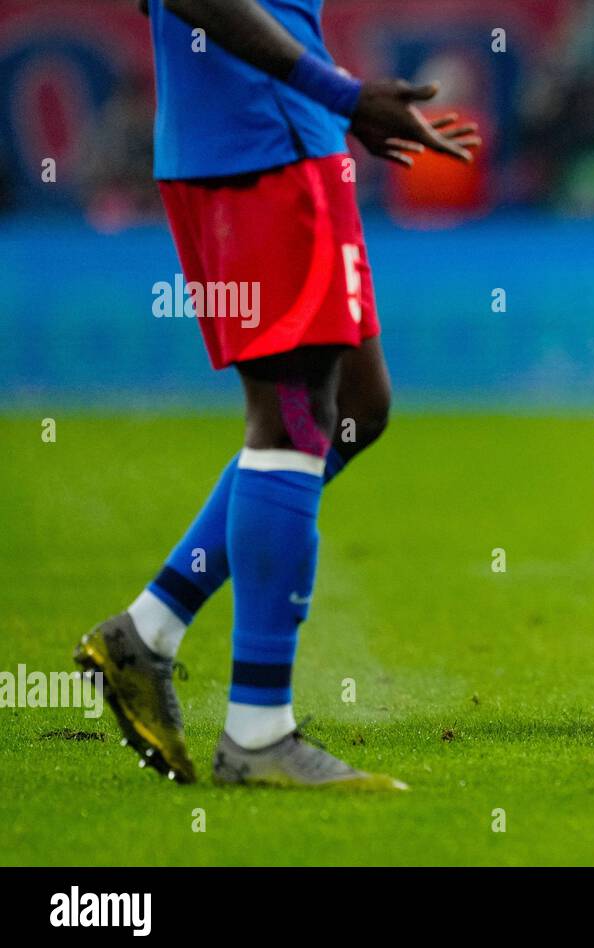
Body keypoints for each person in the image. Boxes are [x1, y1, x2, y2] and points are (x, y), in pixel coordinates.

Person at [73, 0, 479, 788]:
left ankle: (146, 631)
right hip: (261, 146)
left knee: (359, 408)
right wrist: (337, 92)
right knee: (292, 419)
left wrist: (336, 105)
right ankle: (259, 731)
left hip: (285, 135)